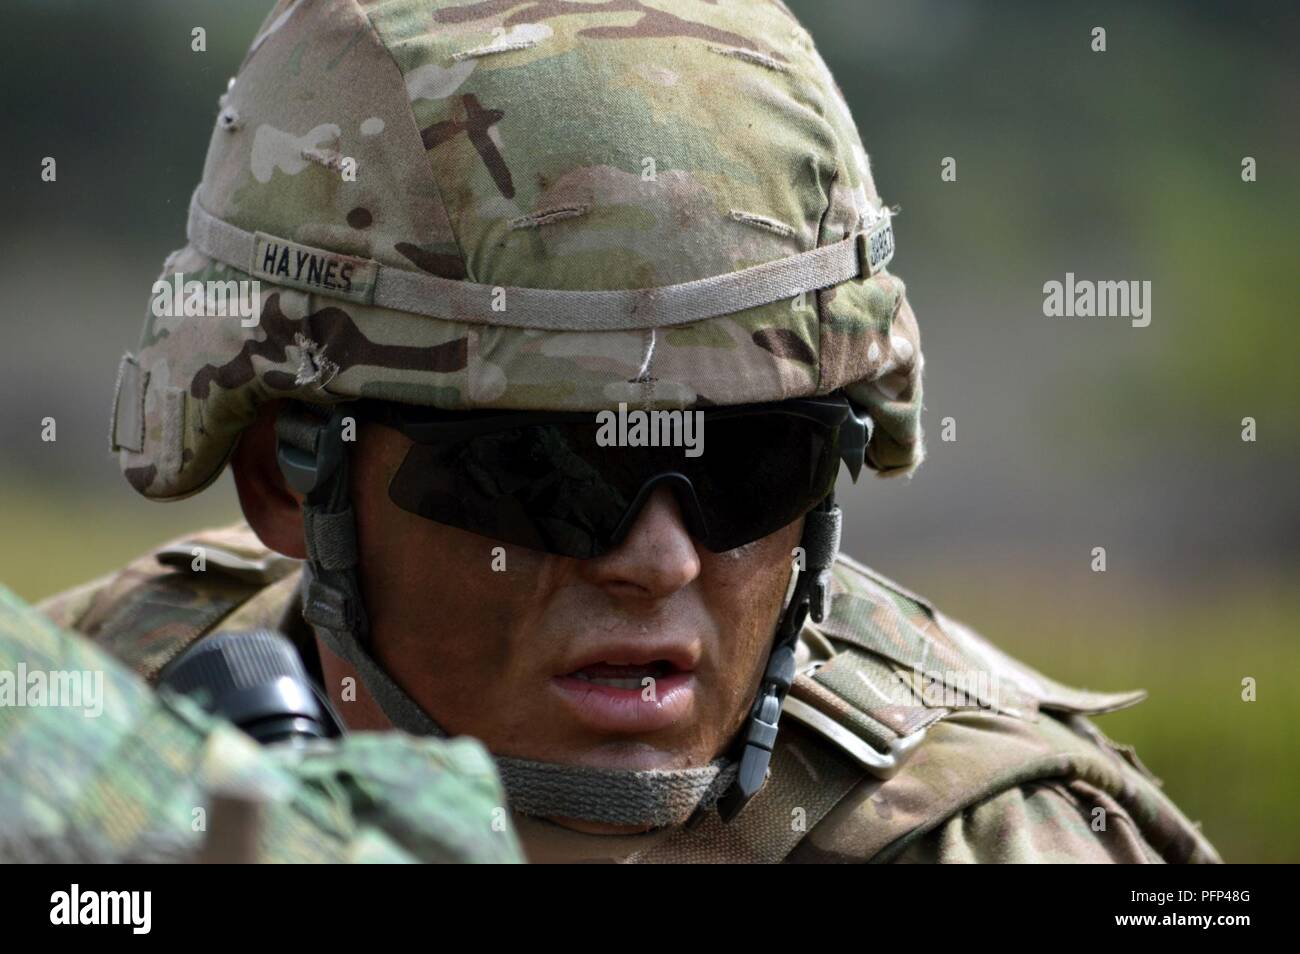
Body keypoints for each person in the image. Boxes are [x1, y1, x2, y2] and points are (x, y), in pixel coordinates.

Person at [40, 0, 1219, 863]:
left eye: (753, 468)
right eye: (541, 477)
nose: (657, 560)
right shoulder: (97, 713)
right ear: (287, 484)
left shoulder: (987, 842)